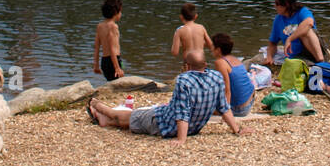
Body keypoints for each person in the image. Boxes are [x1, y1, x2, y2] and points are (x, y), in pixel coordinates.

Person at [87, 49, 248, 144]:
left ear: (186, 66)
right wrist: (237, 129)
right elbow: (224, 108)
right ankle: (105, 119)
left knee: (132, 116)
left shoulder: (184, 80)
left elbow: (182, 112)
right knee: (136, 117)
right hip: (195, 128)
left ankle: (100, 107)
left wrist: (181, 139)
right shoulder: (216, 78)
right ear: (205, 65)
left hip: (165, 124)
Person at [265, 0, 323, 64]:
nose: (274, 6)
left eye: (277, 3)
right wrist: (269, 57)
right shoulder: (278, 19)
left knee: (305, 31)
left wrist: (290, 39)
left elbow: (309, 23)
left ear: (286, 5)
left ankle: (321, 63)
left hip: (312, 53)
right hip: (295, 57)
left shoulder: (302, 12)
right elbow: (272, 43)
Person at [210, 33, 256, 118]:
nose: (211, 48)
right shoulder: (235, 59)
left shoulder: (220, 63)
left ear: (218, 50)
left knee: (206, 107)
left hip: (241, 109)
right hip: (250, 99)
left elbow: (226, 89)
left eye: (213, 46)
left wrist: (226, 113)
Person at [92, 0, 125, 81]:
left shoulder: (100, 26)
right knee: (119, 85)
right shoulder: (113, 26)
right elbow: (112, 49)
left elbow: (96, 47)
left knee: (112, 82)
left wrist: (96, 65)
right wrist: (117, 67)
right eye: (120, 12)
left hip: (104, 62)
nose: (121, 14)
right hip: (113, 61)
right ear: (115, 13)